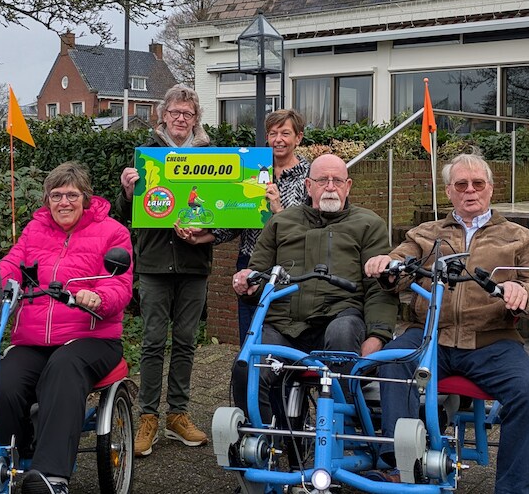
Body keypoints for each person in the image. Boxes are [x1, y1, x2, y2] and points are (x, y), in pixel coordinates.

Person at [363, 153, 529, 492]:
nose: (471, 191)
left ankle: (513, 488)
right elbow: (399, 263)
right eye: (461, 184)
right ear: (449, 192)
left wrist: (521, 293)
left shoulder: (519, 237)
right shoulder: (426, 233)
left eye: (478, 184)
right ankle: (400, 464)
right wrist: (385, 265)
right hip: (429, 338)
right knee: (390, 362)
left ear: (491, 189)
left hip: (491, 342)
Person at [0, 162, 133, 494]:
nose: (64, 202)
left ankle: (51, 477)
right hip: (33, 340)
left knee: (63, 370)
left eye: (72, 195)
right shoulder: (35, 231)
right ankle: (5, 464)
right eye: (56, 195)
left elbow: (121, 285)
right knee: (2, 381)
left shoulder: (113, 232)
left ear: (86, 198)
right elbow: (10, 266)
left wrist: (97, 297)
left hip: (92, 337)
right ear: (47, 199)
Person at [114, 83, 235, 457]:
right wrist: (127, 192)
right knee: (152, 341)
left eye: (188, 114)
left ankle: (177, 415)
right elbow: (126, 215)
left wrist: (208, 233)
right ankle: (148, 416)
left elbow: (225, 209)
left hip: (194, 264)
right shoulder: (147, 156)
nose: (181, 119)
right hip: (153, 262)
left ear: (196, 119)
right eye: (174, 113)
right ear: (162, 116)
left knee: (185, 341)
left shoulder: (211, 157)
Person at [230, 154, 397, 418]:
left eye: (337, 181)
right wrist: (246, 284)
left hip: (339, 320)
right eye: (322, 180)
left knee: (343, 336)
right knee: (245, 368)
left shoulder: (369, 224)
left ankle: (339, 433)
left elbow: (379, 288)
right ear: (309, 186)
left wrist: (378, 337)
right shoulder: (280, 222)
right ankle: (260, 442)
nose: (330, 186)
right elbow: (258, 276)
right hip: (284, 325)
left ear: (348, 185)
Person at [234, 109, 311, 344]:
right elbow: (236, 218)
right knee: (250, 336)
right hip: (251, 262)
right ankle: (250, 381)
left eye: (285, 133)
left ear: (298, 138)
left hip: (292, 266)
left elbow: (310, 226)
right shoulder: (252, 169)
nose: (278, 139)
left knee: (285, 336)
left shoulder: (309, 176)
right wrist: (201, 235)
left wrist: (278, 209)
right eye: (273, 133)